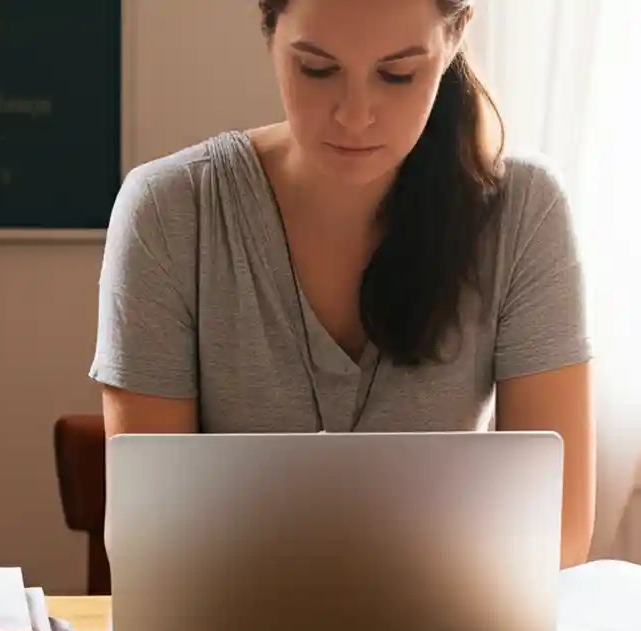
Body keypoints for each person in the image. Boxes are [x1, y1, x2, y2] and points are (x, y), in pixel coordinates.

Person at [90, 0, 597, 567]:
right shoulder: (170, 211)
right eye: (318, 69)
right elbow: (152, 541)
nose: (355, 116)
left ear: (453, 37)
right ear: (269, 33)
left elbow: (557, 536)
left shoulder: (523, 210)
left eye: (398, 74)